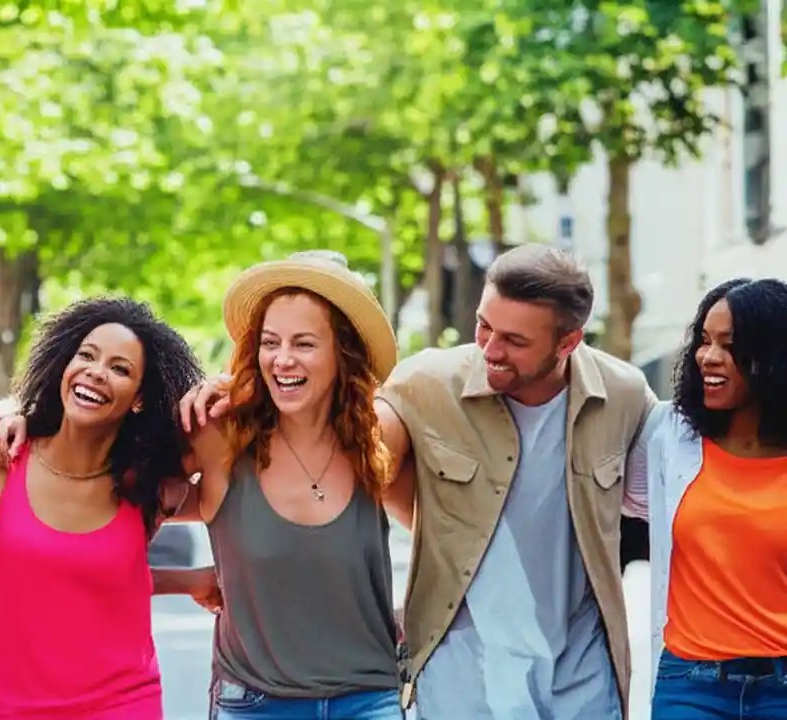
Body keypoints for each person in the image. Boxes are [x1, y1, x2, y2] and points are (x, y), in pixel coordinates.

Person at [182, 244, 656, 718]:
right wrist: (240, 386)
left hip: (581, 680)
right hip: (464, 676)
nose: (489, 349)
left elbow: (674, 491)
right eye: (483, 326)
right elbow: (339, 434)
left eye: (514, 340)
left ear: (568, 342)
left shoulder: (624, 395)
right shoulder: (427, 382)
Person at [0, 296, 216, 719]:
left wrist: (225, 387)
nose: (96, 372)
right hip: (14, 707)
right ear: (63, 366)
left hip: (123, 702)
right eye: (86, 355)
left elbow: (240, 468)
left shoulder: (149, 484)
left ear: (140, 398)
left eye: (120, 369)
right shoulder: (0, 463)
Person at [192, 251, 404, 719]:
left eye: (304, 343)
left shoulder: (380, 439)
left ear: (341, 354)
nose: (282, 359)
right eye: (270, 342)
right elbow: (106, 466)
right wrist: (0, 419)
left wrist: (426, 615)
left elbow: (458, 511)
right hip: (254, 704)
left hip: (369, 699)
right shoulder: (220, 438)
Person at [638, 278, 787, 718]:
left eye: (729, 344)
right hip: (690, 685)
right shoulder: (671, 437)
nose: (708, 356)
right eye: (704, 341)